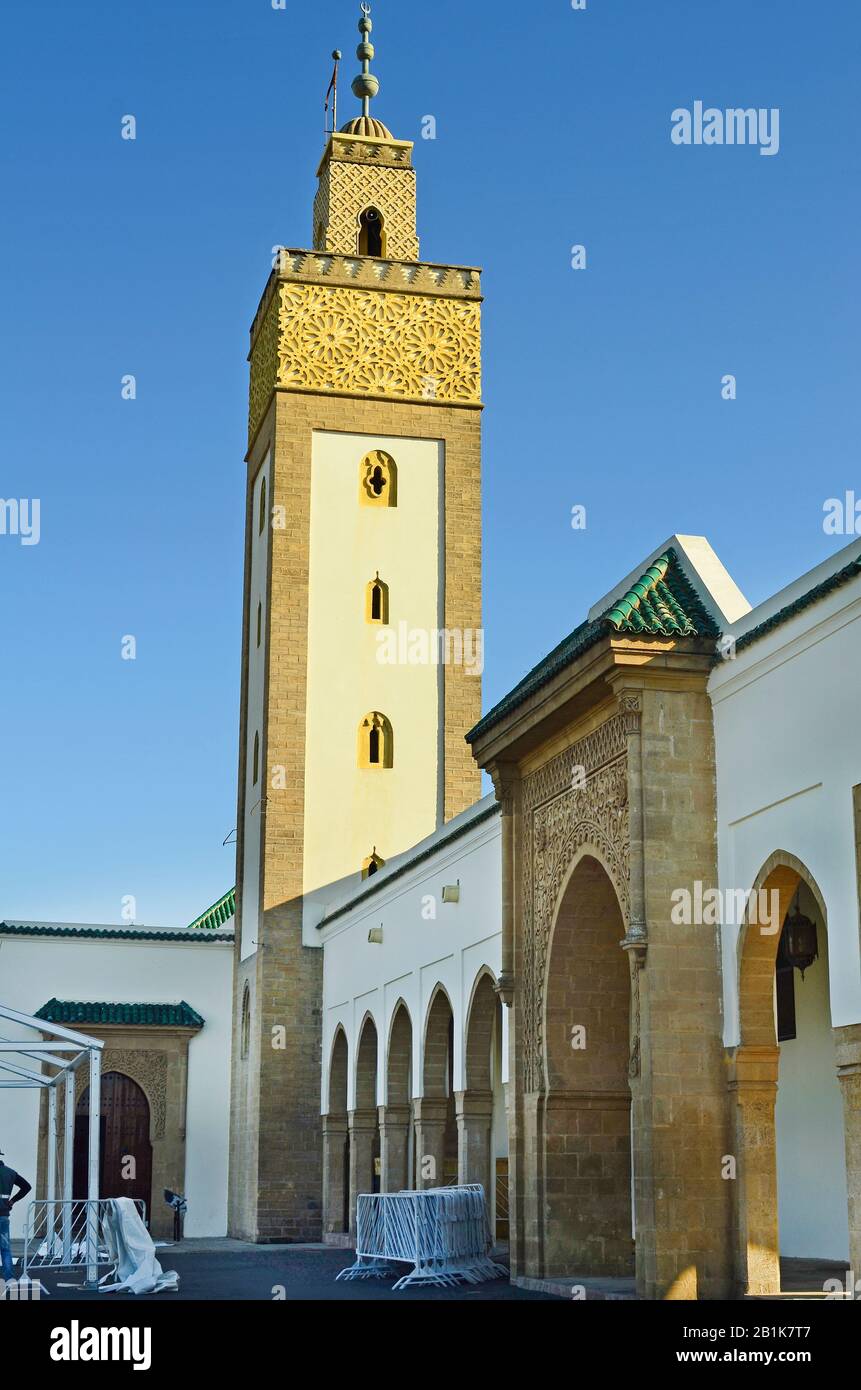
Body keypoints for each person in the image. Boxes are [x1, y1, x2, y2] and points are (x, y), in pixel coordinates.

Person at [0, 1149, 32, 1283]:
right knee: (5, 1248)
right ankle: (9, 1279)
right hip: (3, 1216)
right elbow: (26, 1187)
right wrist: (12, 1200)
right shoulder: (10, 1173)